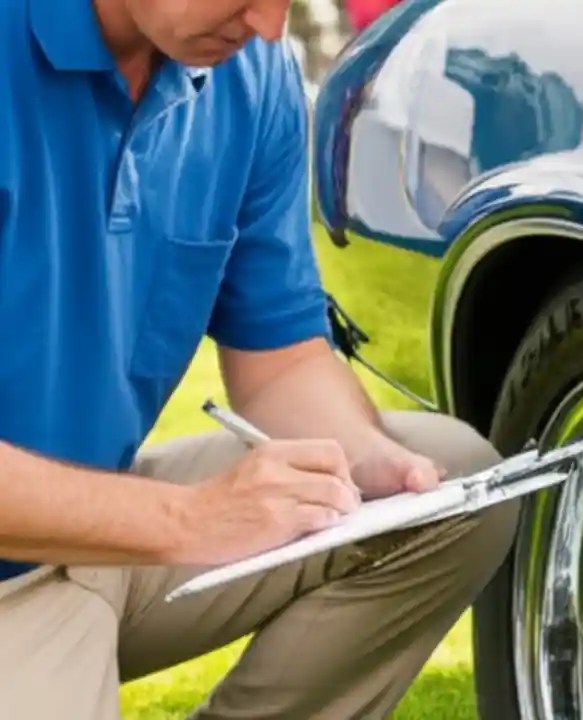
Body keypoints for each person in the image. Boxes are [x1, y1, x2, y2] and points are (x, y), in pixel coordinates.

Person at [0, 1, 519, 718]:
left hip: (104, 534)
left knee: (448, 490)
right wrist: (187, 519)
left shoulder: (250, 75)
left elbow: (279, 356)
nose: (270, 26)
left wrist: (366, 458)